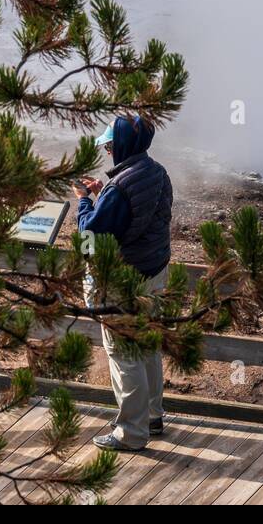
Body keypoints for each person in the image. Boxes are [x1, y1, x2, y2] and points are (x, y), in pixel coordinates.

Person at [74, 114, 173, 451]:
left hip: (121, 279)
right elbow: (138, 220)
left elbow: (91, 236)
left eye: (111, 145)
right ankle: (153, 416)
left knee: (123, 353)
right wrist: (105, 197)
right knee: (147, 345)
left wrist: (86, 201)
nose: (107, 151)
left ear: (123, 146)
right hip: (154, 272)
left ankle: (131, 432)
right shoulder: (157, 173)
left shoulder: (120, 187)